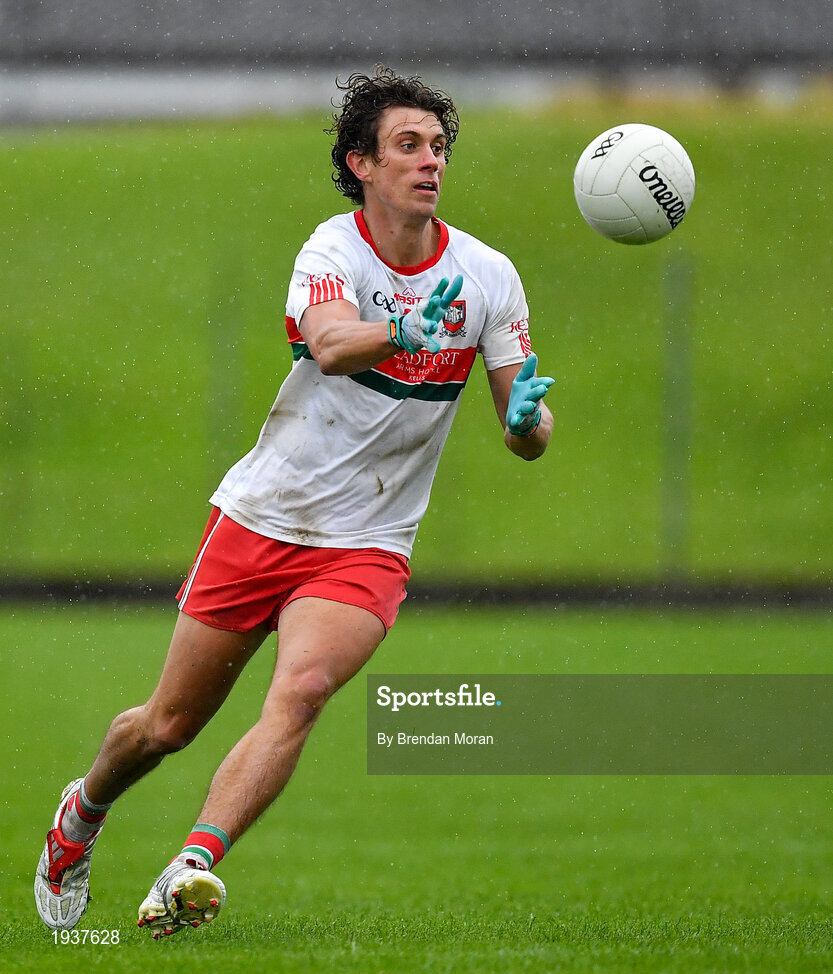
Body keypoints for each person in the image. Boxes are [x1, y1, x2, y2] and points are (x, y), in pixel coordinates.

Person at [34, 65, 555, 938]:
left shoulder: (488, 275)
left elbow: (521, 426)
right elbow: (328, 342)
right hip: (264, 516)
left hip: (369, 538)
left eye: (438, 148)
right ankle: (79, 815)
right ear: (360, 162)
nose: (429, 163)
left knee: (303, 689)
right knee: (165, 727)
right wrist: (399, 327)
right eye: (407, 147)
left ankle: (191, 864)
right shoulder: (331, 250)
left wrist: (529, 424)